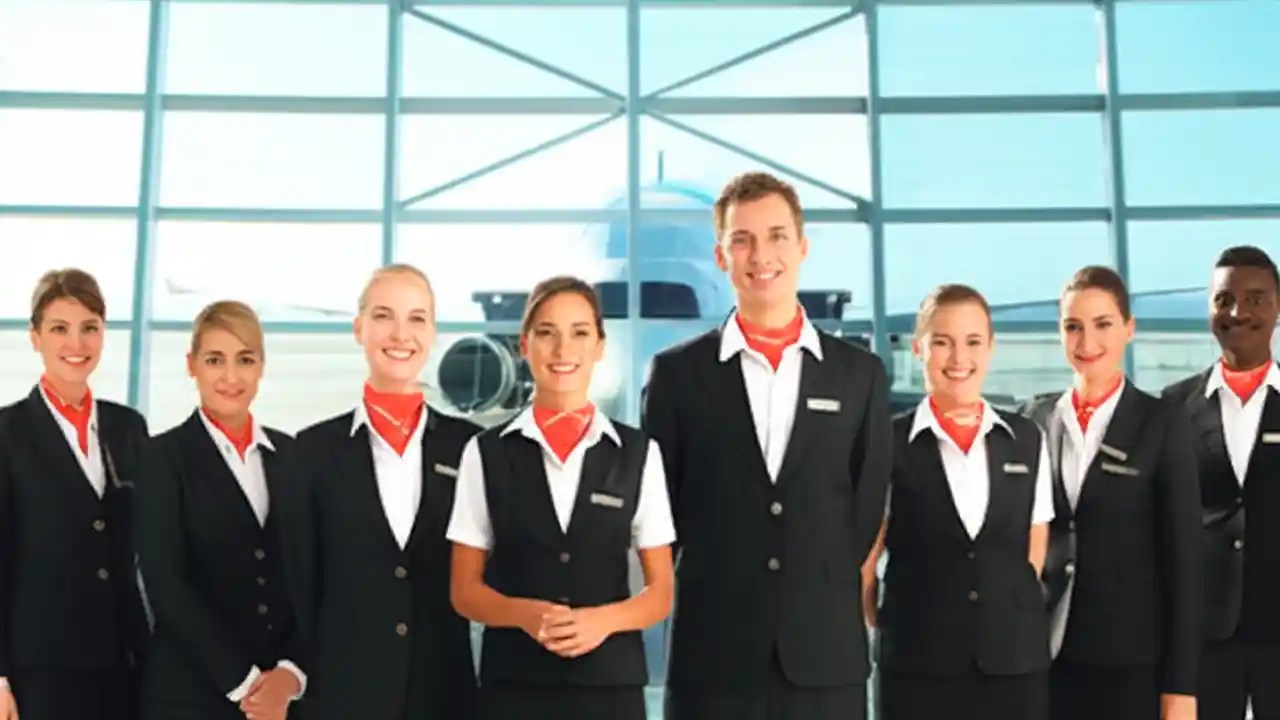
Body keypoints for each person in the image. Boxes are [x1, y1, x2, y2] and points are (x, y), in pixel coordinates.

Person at [642, 171, 892, 720]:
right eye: (742, 239)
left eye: (777, 235)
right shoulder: (677, 376)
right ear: (720, 255)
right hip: (714, 660)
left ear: (802, 247)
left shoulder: (859, 375)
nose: (761, 254)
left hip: (825, 660)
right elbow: (661, 510)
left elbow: (866, 502)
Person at [447, 276, 675, 720]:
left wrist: (602, 621)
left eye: (579, 333)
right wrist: (524, 614)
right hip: (514, 688)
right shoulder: (486, 453)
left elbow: (660, 593)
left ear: (600, 346)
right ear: (524, 345)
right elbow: (464, 591)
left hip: (611, 690)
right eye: (546, 333)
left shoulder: (638, 454)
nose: (562, 349)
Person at [285, 263, 480, 720]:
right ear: (359, 328)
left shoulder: (471, 448)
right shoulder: (311, 452)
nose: (400, 333)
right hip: (340, 695)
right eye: (383, 316)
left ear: (432, 333)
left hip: (443, 694)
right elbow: (296, 582)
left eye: (416, 318)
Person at [863, 284, 1053, 720]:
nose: (958, 358)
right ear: (919, 348)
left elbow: (1034, 545)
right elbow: (867, 559)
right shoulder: (888, 442)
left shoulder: (1025, 439)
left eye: (972, 342)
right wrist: (895, 623)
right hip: (917, 659)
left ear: (990, 348)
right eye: (942, 343)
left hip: (1013, 662)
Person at [1023, 266, 1200, 720]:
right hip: (1042, 659)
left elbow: (1184, 562)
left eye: (1102, 324)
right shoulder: (1033, 421)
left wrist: (1181, 687)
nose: (1087, 343)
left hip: (1131, 664)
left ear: (1129, 328)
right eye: (1073, 327)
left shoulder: (1162, 423)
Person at [134, 300, 307, 720]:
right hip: (190, 697)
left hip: (283, 701)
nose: (231, 376)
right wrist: (247, 686)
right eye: (215, 360)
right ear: (192, 365)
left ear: (261, 366)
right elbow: (166, 584)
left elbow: (314, 579)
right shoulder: (161, 458)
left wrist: (289, 675)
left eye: (244, 360)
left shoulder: (295, 456)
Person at [0, 268, 151, 720]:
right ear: (35, 336)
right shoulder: (7, 434)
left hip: (126, 664)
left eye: (90, 329)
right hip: (41, 668)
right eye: (59, 329)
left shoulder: (128, 428)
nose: (77, 344)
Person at [1163, 245, 1280, 720]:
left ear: (1277, 307)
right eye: (1224, 299)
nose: (1238, 312)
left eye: (1256, 299)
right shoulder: (1171, 408)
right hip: (1204, 638)